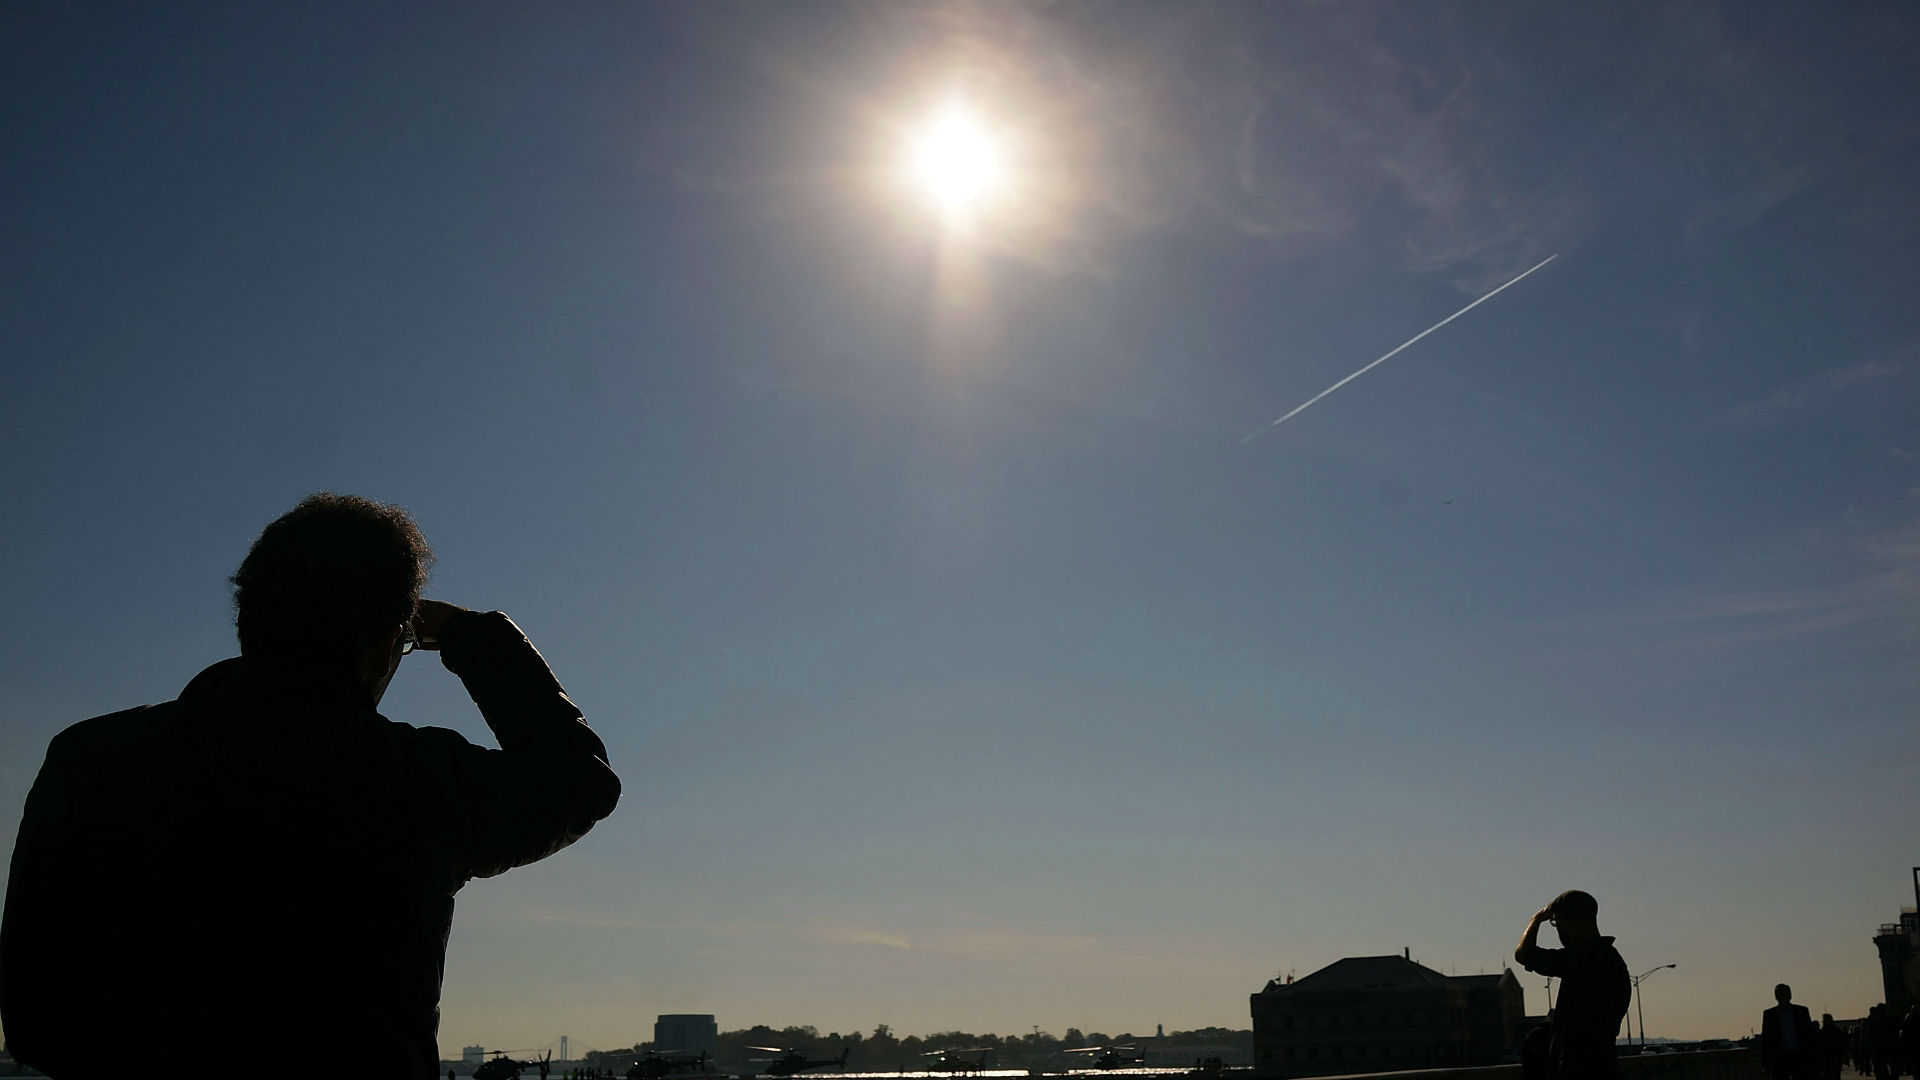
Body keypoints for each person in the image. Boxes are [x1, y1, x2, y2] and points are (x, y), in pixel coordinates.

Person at [0, 494, 620, 1077]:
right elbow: (578, 784)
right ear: (382, 645)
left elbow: (33, 1020)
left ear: (248, 617)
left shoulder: (89, 760)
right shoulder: (415, 780)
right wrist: (471, 638)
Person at [1514, 890, 1631, 1080]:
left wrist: (1535, 920)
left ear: (1571, 923)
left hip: (1581, 1069)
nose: (1558, 930)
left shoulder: (1587, 958)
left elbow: (1525, 954)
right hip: (1603, 1064)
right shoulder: (1608, 958)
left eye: (1557, 923)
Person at [1764, 985, 1823, 1080]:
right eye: (1780, 995)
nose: (1782, 998)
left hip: (1800, 1056)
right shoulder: (1769, 1014)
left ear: (1790, 996)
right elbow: (1766, 1039)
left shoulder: (1802, 1011)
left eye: (1784, 995)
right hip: (1780, 1057)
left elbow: (1810, 1036)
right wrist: (1766, 1063)